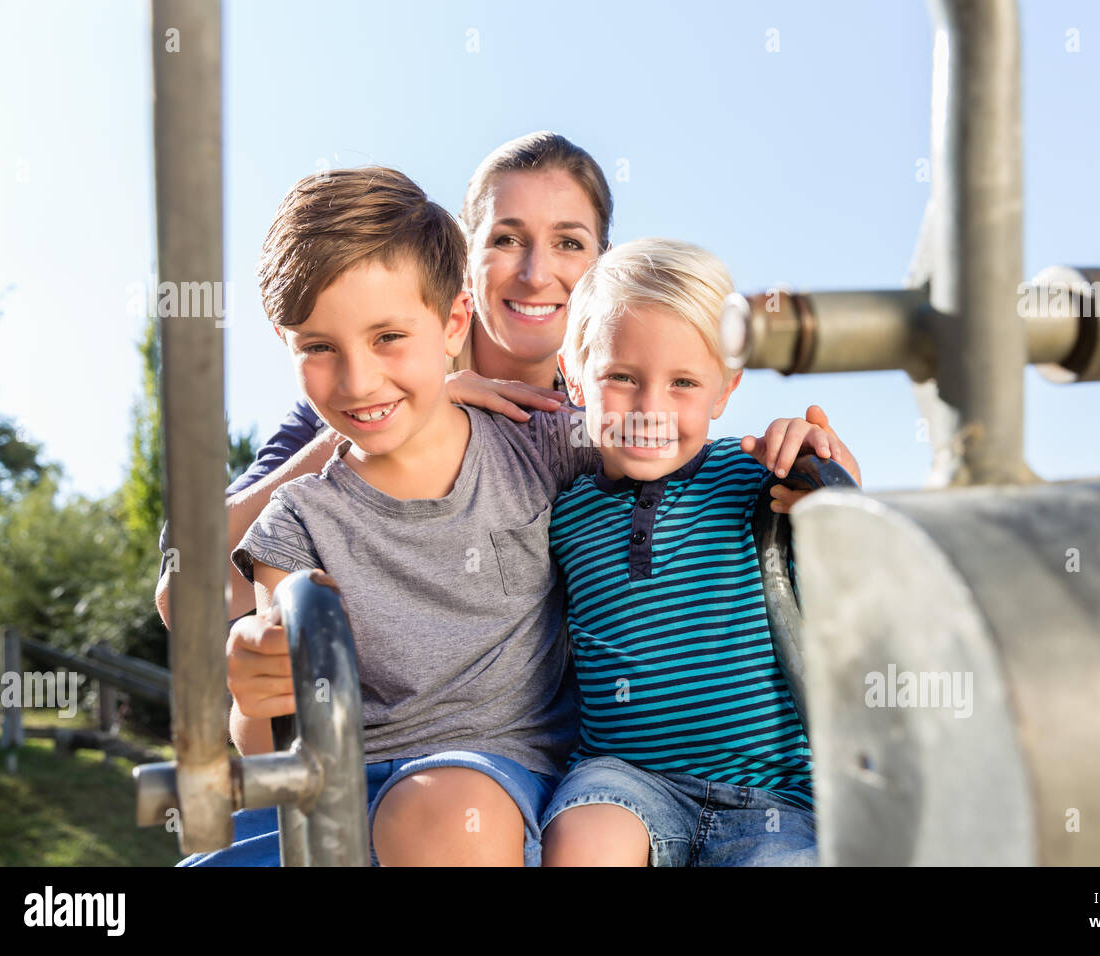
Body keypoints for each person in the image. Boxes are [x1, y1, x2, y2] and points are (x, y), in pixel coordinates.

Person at [180, 166, 845, 867]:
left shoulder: (543, 443)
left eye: (389, 339)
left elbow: (662, 439)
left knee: (445, 816)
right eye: (318, 347)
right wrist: (253, 696)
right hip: (337, 796)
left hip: (488, 786)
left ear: (452, 323)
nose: (358, 380)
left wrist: (821, 474)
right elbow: (272, 739)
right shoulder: (294, 514)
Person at [153, 130, 863, 628]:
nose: (535, 272)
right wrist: (413, 420)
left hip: (574, 776)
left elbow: (727, 524)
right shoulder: (362, 394)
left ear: (602, 265)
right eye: (505, 238)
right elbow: (190, 597)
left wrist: (814, 477)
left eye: (569, 243)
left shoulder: (617, 421)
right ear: (463, 257)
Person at [539, 239, 828, 866]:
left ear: (724, 391)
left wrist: (825, 478)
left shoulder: (758, 480)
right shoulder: (564, 513)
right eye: (621, 377)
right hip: (623, 779)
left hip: (775, 798)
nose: (649, 409)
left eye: (684, 383)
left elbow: (851, 550)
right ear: (574, 375)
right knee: (581, 842)